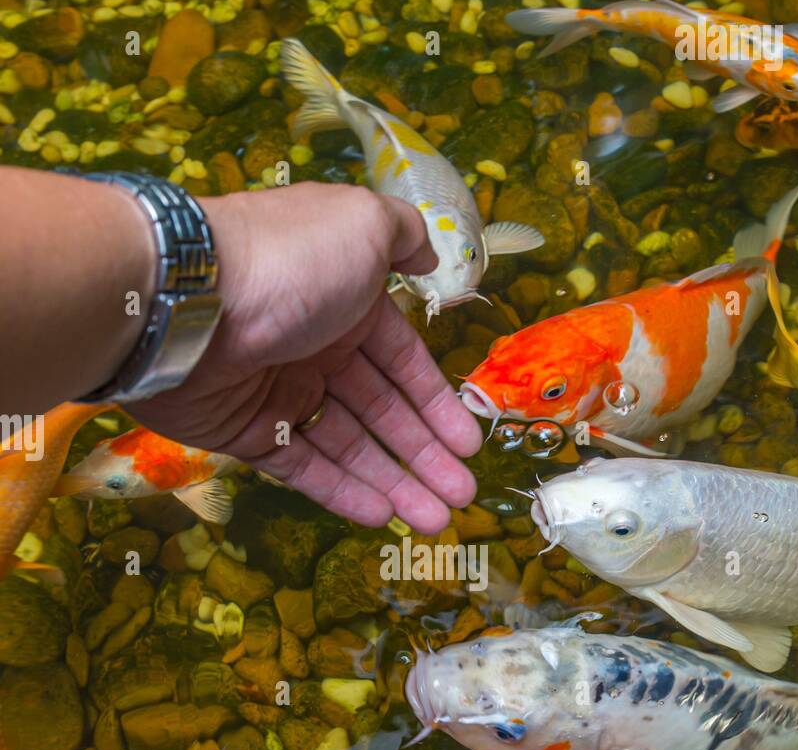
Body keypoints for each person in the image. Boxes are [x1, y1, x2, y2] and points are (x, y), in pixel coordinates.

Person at [0, 167, 482, 534]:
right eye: (111, 478)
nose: (83, 485)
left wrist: (226, 264)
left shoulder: (197, 467)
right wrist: (212, 252)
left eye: (113, 477)